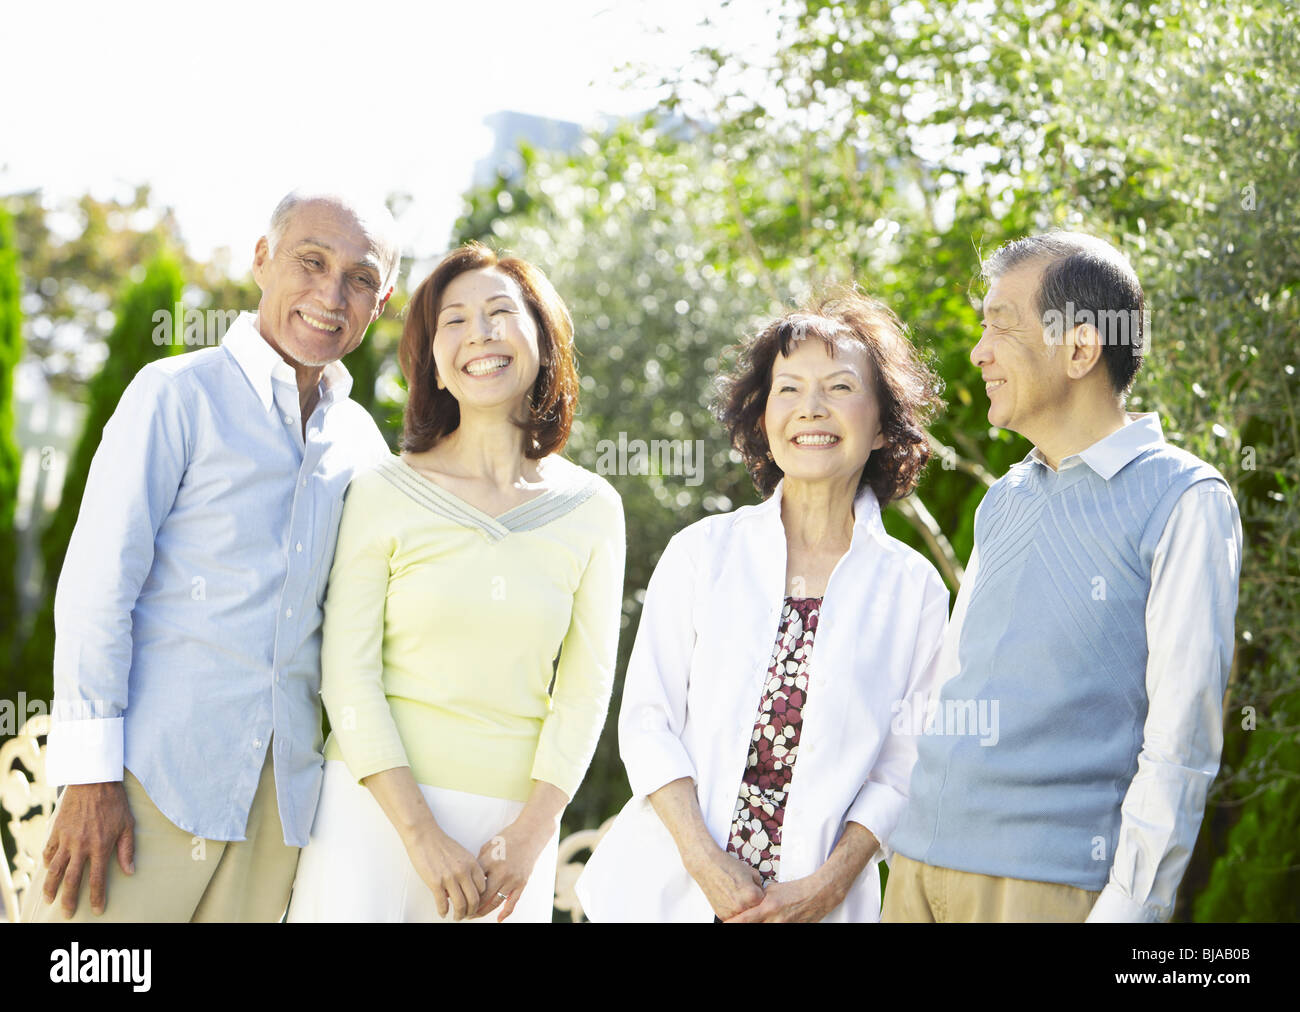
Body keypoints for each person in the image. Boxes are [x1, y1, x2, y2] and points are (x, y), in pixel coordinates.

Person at [26, 188, 399, 922]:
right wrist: (91, 779)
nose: (332, 293)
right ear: (262, 259)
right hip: (142, 787)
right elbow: (97, 589)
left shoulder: (364, 446)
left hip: (279, 810)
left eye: (360, 278)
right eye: (311, 261)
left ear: (380, 301)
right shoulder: (174, 395)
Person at [883, 231, 1243, 922]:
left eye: (1000, 326)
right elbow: (952, 689)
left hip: (1043, 886)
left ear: (1080, 348)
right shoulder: (1004, 499)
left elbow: (1181, 742)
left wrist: (1130, 912)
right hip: (919, 869)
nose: (979, 353)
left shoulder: (1185, 499)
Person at [575, 291, 950, 922]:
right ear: (764, 416)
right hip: (670, 894)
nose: (811, 408)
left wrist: (830, 884)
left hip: (818, 907)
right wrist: (704, 863)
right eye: (789, 389)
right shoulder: (702, 553)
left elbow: (904, 769)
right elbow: (646, 721)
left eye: (838, 386)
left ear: (884, 422)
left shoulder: (913, 590)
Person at [286, 242, 625, 923]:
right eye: (455, 321)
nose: (481, 334)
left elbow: (585, 694)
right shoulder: (383, 489)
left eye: (501, 313)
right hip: (371, 820)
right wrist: (421, 835)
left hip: (510, 845)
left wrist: (529, 837)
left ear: (542, 340)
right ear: (435, 363)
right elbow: (347, 676)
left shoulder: (593, 508)